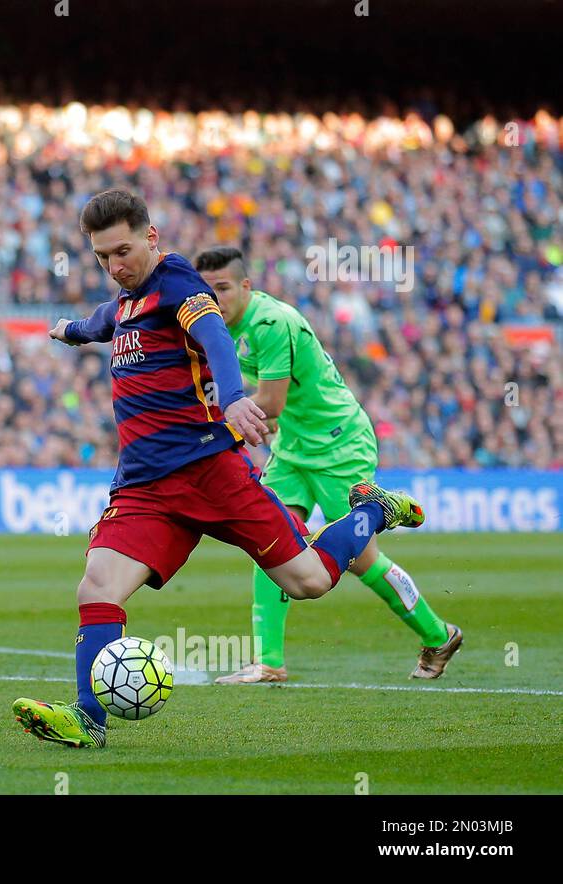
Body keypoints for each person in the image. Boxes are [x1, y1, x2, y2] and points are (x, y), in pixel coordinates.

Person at [12, 189, 425, 748]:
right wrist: (70, 330)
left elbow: (212, 337)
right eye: (102, 256)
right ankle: (89, 720)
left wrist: (232, 397)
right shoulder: (128, 302)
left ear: (152, 238)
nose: (115, 265)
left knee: (308, 582)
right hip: (146, 487)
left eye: (124, 250)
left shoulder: (180, 285)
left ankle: (373, 511)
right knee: (96, 588)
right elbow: (103, 321)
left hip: (212, 471)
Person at [195, 246, 461, 682]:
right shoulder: (218, 327)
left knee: (359, 559)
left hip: (340, 443)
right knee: (269, 538)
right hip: (295, 447)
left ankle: (437, 632)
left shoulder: (270, 323)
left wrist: (218, 417)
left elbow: (272, 401)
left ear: (245, 285)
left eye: (222, 288)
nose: (214, 298)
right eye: (207, 291)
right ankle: (269, 662)